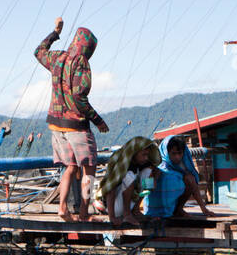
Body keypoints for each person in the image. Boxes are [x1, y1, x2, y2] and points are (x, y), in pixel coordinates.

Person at [35, 17, 109, 221]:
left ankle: (62, 209)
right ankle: (84, 214)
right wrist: (97, 120)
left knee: (70, 167)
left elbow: (39, 52)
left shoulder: (58, 58)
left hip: (56, 124)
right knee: (89, 170)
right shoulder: (81, 63)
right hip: (76, 126)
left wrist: (55, 32)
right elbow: (79, 96)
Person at [98, 136, 161, 227]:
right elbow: (110, 189)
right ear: (134, 153)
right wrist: (112, 217)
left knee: (148, 172)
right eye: (143, 155)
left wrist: (153, 178)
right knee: (129, 176)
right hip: (114, 207)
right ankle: (127, 215)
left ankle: (135, 211)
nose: (146, 158)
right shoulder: (121, 164)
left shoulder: (142, 163)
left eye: (147, 155)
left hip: (129, 204)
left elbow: (153, 180)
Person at [155, 136, 214, 219]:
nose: (177, 157)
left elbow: (193, 184)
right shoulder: (159, 165)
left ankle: (178, 209)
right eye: (173, 153)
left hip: (174, 200)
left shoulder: (185, 163)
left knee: (190, 178)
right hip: (158, 206)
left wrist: (204, 209)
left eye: (180, 153)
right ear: (166, 152)